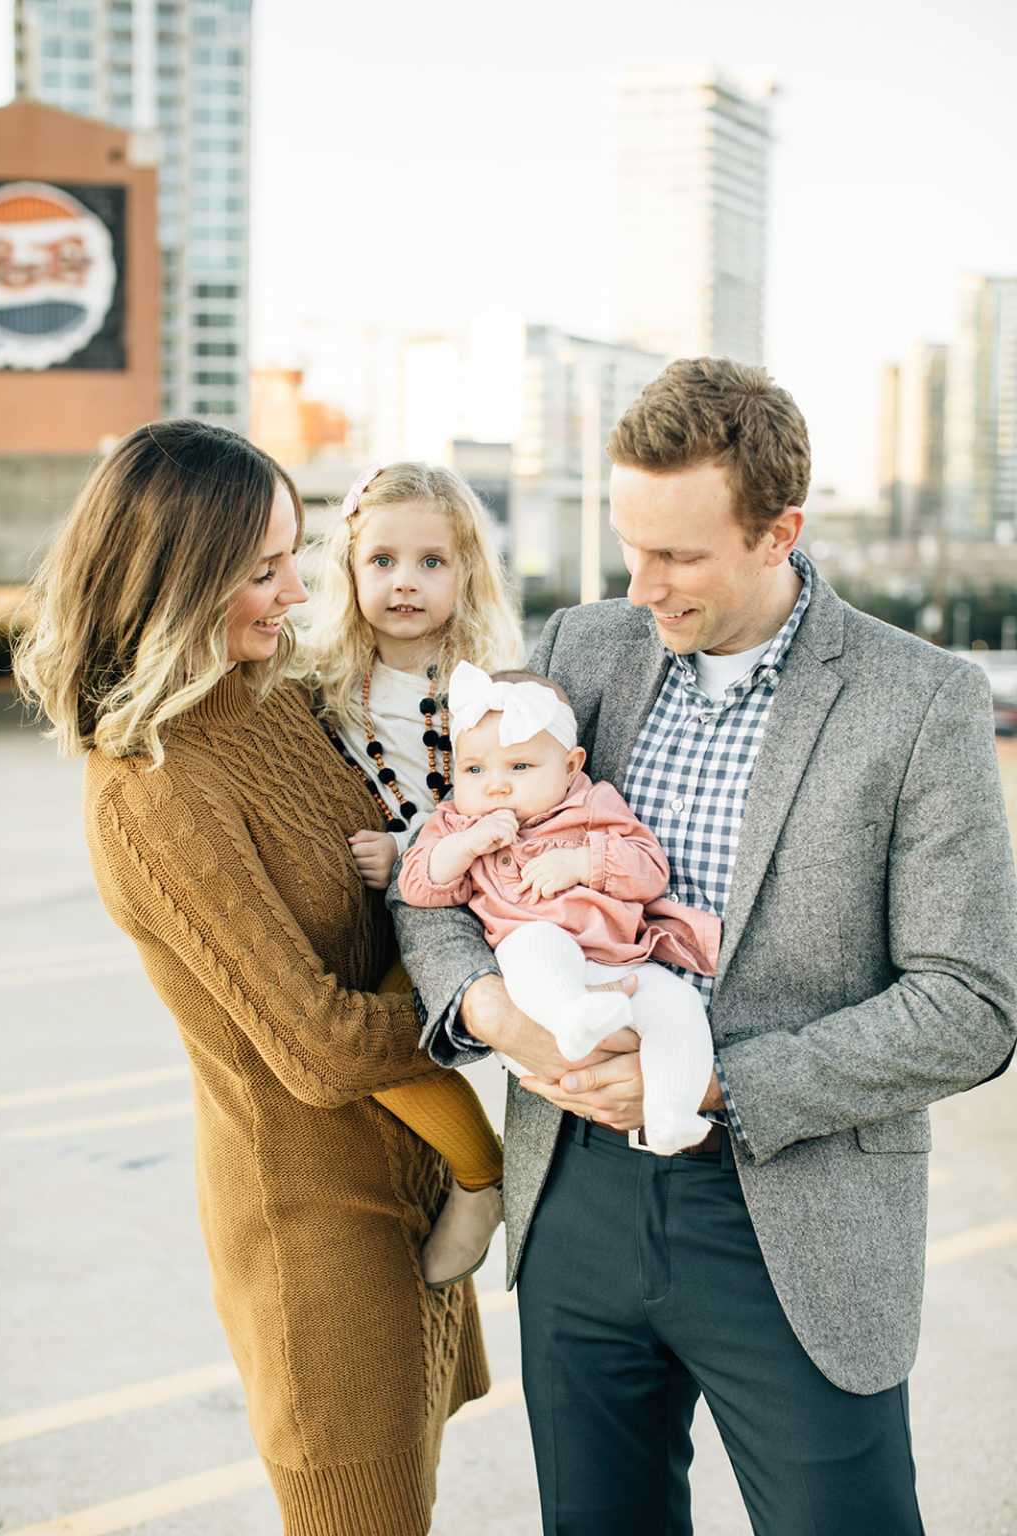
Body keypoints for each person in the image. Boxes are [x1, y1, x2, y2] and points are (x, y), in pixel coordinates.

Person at [388, 357, 1017, 1536]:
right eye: (629, 545)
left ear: (779, 531)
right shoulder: (578, 648)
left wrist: (719, 1080)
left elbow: (970, 1003)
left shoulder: (920, 698)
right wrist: (484, 1007)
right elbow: (436, 880)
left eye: (678, 555)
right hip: (571, 1197)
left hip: (795, 1208)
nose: (644, 584)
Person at [14, 420, 490, 1536]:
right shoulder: (152, 786)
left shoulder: (278, 692)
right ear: (178, 577)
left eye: (297, 553)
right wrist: (487, 1001)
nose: (297, 589)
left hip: (414, 1173)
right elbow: (321, 1044)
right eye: (264, 567)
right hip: (313, 1226)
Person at [307, 460, 524, 1285]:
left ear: (466, 572)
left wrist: (414, 849)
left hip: (465, 906)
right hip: (375, 913)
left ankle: (484, 1176)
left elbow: (509, 796)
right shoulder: (323, 682)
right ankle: (478, 1172)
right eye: (383, 561)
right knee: (359, 1042)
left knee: (370, 1042)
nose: (407, 583)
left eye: (432, 562)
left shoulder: (481, 688)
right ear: (350, 569)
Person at [399, 661, 721, 1155]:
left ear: (571, 767)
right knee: (535, 941)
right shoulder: (458, 823)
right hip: (538, 995)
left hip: (622, 963)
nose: (495, 786)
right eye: (474, 769)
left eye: (520, 767)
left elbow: (650, 869)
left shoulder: (595, 805)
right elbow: (418, 886)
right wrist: (465, 847)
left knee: (676, 1006)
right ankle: (572, 1016)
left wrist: (582, 861)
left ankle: (672, 1113)